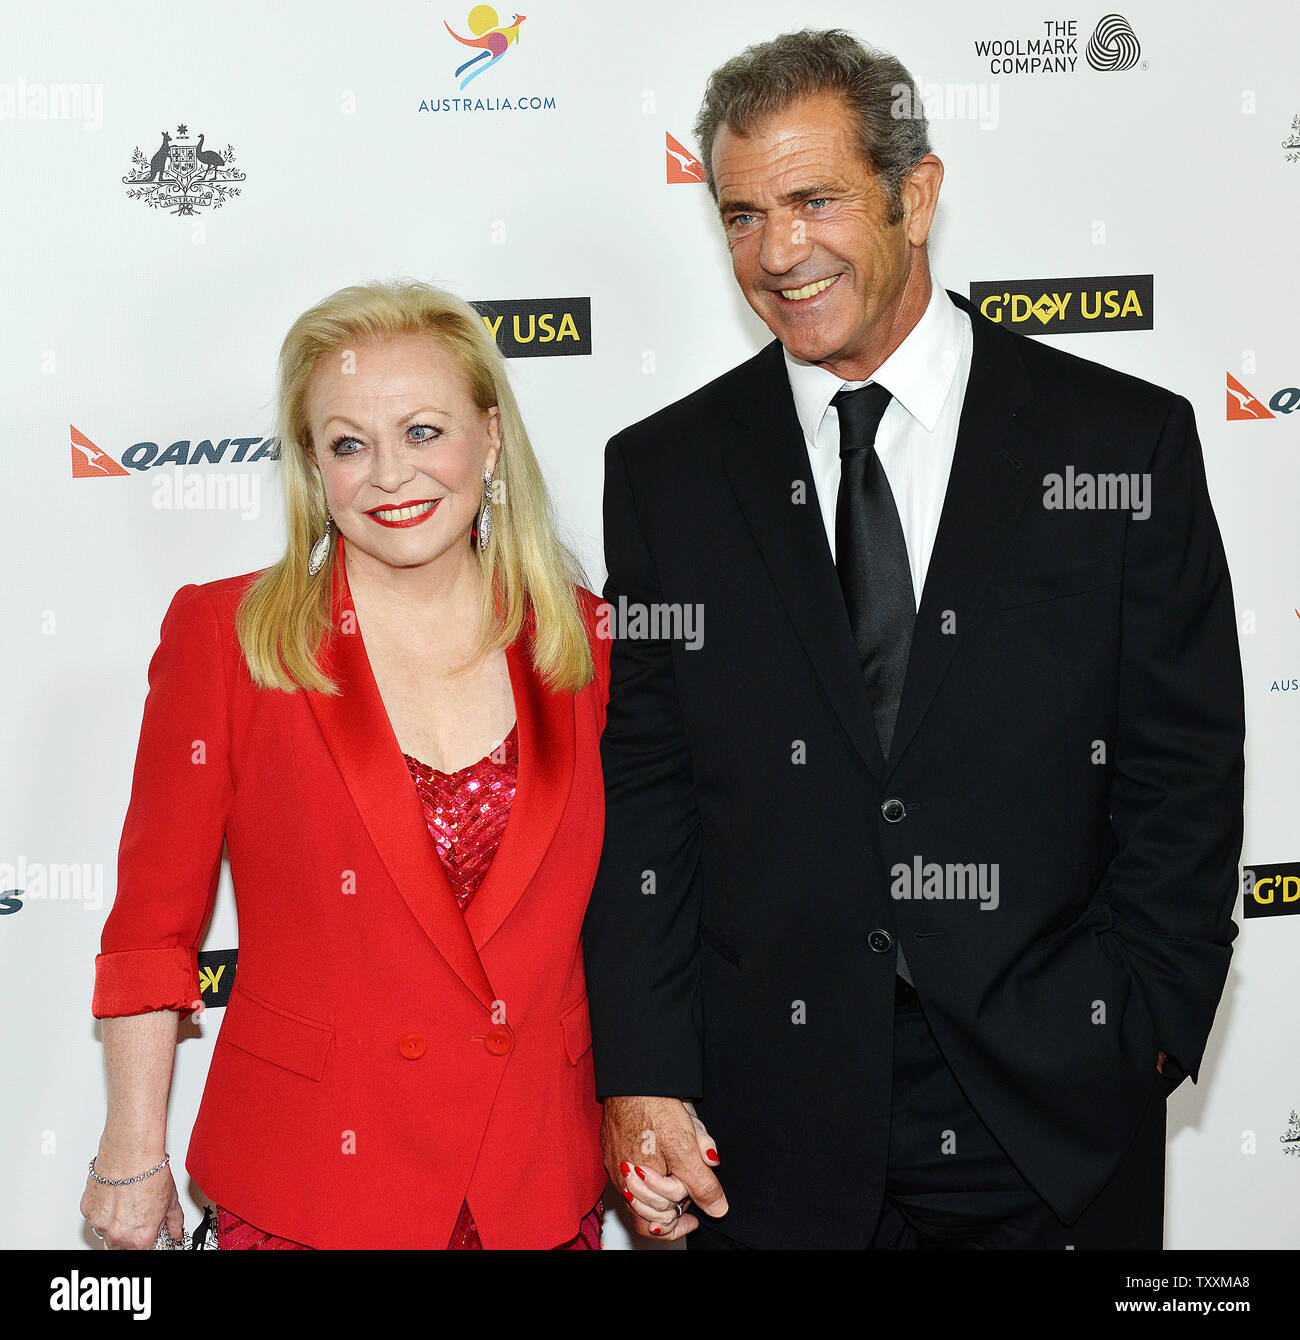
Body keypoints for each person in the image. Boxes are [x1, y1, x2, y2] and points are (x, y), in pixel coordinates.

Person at [583, 29, 1245, 1249]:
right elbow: (651, 789)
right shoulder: (667, 472)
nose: (777, 252)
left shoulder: (1116, 443)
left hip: (1046, 1111)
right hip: (765, 1120)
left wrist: (1135, 1030)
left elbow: (1183, 771)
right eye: (740, 214)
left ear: (917, 194)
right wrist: (640, 1069)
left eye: (814, 199)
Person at [82, 280, 610, 1249]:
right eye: (348, 443)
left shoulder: (583, 641)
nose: (387, 475)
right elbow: (152, 926)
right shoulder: (230, 635)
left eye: (422, 429)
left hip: (532, 1177)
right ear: (312, 466)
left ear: (490, 438)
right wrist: (130, 1148)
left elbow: (641, 915)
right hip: (310, 1185)